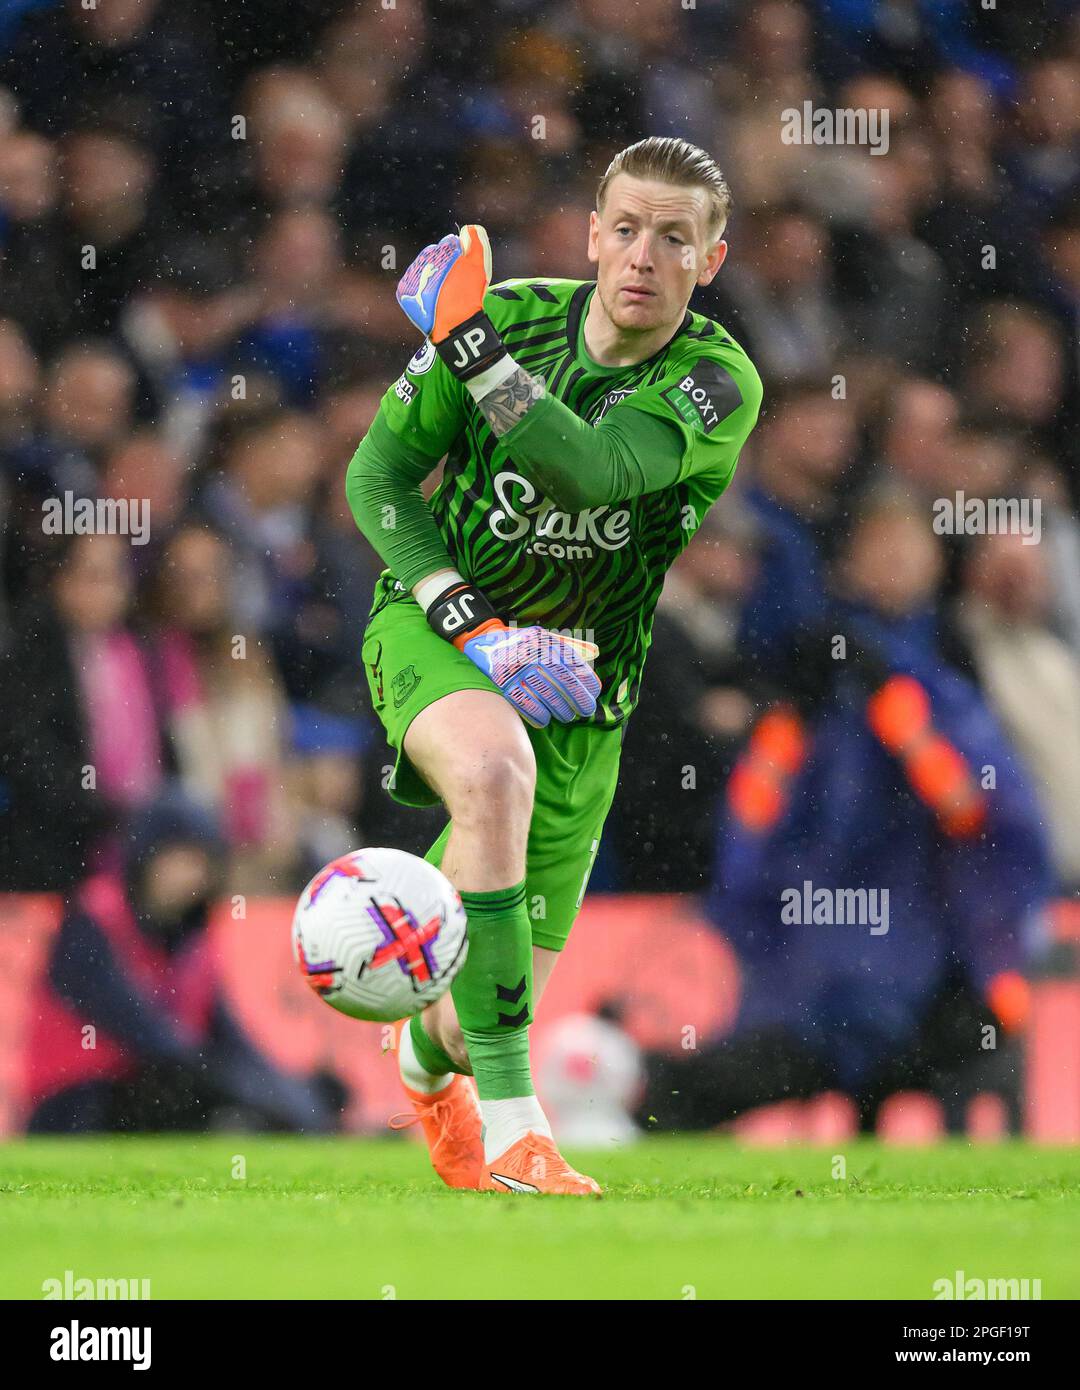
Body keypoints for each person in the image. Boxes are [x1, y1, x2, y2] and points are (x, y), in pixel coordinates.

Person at [345, 136, 762, 1194]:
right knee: (490, 771)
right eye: (624, 228)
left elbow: (599, 472)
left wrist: (470, 348)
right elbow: (379, 475)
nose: (642, 256)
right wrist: (469, 619)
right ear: (591, 234)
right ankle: (518, 1129)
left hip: (584, 704)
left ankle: (427, 1061)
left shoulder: (717, 380)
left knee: (460, 1004)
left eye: (675, 238)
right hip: (439, 631)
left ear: (710, 260)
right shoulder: (513, 316)